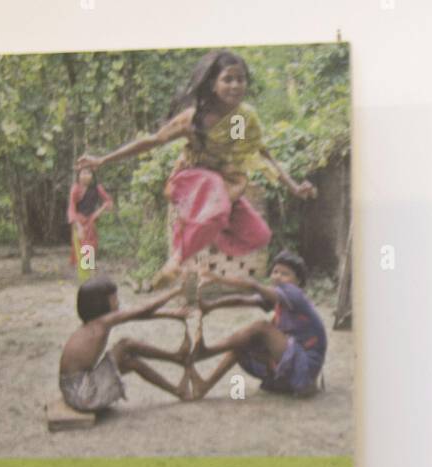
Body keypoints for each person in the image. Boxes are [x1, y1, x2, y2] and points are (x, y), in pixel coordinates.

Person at [75, 49, 316, 288]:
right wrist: (103, 160)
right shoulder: (193, 118)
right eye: (228, 79)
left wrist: (293, 187)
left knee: (259, 234)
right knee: (215, 194)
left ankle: (206, 226)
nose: (235, 85)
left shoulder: (238, 120)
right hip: (190, 180)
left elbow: (252, 152)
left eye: (240, 79)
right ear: (212, 84)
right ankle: (176, 259)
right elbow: (152, 141)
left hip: (221, 187)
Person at [189, 251, 327, 399]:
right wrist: (210, 306)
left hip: (305, 367)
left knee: (262, 327)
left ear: (298, 281)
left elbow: (253, 286)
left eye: (285, 274)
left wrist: (218, 279)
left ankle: (207, 352)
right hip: (287, 370)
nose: (278, 276)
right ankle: (204, 386)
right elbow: (242, 300)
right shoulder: (277, 297)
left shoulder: (295, 294)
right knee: (241, 344)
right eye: (275, 272)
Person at [58, 274, 194, 412]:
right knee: (125, 345)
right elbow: (144, 310)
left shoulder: (95, 323)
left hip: (74, 392)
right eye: (115, 299)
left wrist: (172, 313)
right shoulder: (100, 323)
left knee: (131, 362)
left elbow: (138, 315)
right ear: (101, 303)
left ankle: (178, 390)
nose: (118, 302)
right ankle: (177, 357)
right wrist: (175, 291)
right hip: (82, 393)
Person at [66, 167, 113, 283]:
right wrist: (78, 226)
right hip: (79, 222)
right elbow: (72, 209)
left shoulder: (97, 188)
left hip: (91, 223)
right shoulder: (75, 188)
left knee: (90, 248)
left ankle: (90, 279)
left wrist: (99, 211)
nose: (85, 176)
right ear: (79, 175)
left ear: (92, 175)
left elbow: (108, 201)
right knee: (82, 250)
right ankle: (86, 280)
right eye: (83, 173)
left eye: (88, 173)